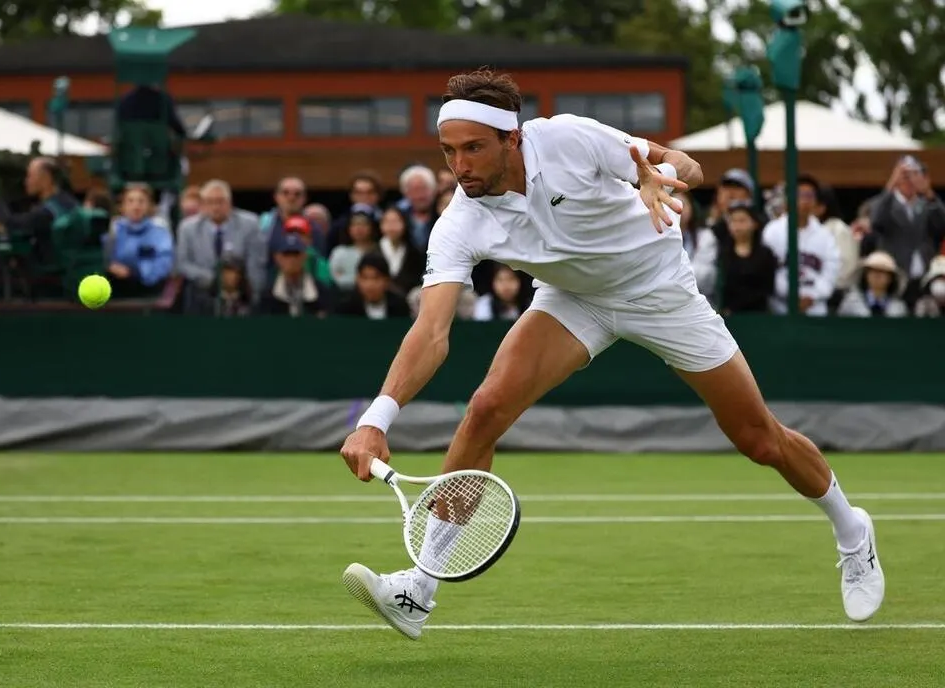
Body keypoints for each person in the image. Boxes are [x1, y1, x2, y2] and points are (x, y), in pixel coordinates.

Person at [338, 68, 884, 640]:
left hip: (660, 291)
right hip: (574, 301)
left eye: (474, 148)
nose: (460, 165)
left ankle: (853, 533)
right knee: (486, 409)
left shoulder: (568, 136)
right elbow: (430, 332)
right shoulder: (460, 220)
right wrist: (377, 418)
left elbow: (687, 166)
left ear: (513, 139)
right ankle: (419, 590)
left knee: (758, 439)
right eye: (449, 151)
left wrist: (662, 175)